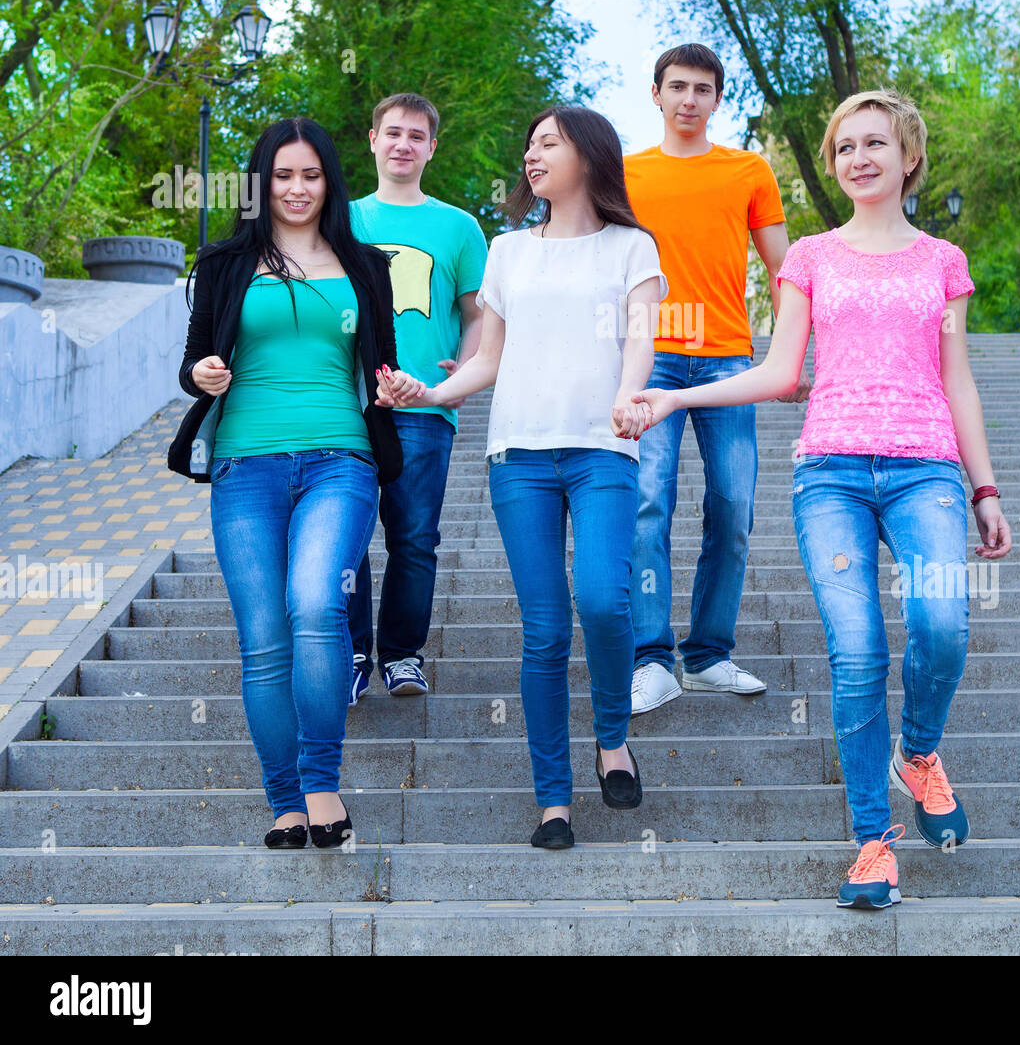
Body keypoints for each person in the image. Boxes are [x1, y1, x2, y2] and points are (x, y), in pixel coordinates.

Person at [633, 88, 1012, 909]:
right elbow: (779, 373)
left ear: (908, 157)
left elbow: (958, 379)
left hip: (927, 472)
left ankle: (918, 751)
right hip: (830, 474)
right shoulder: (808, 256)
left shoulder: (942, 261)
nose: (858, 158)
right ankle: (874, 842)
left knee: (943, 626)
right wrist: (674, 398)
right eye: (844, 147)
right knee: (857, 651)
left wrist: (984, 487)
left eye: (875, 143)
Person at [380, 105, 666, 848]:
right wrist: (432, 392)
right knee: (543, 629)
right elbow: (486, 357)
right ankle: (552, 800)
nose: (533, 155)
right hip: (518, 455)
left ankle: (611, 737)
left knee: (603, 598)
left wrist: (632, 395)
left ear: (590, 156)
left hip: (604, 447)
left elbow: (642, 337)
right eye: (530, 142)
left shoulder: (631, 247)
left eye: (549, 143)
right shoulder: (509, 252)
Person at [167, 117, 421, 850]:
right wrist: (203, 373)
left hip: (341, 460)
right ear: (262, 182)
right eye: (283, 174)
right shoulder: (223, 264)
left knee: (316, 604)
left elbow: (381, 363)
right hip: (246, 465)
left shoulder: (365, 266)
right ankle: (282, 800)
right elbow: (191, 361)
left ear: (329, 181)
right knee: (264, 639)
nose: (298, 187)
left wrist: (396, 385)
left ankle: (319, 782)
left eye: (311, 174)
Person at [621, 43, 810, 715]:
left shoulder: (749, 170)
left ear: (716, 98)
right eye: (678, 86)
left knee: (733, 506)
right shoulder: (624, 173)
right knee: (647, 503)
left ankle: (706, 654)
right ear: (656, 93)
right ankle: (649, 657)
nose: (689, 99)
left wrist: (793, 356)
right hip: (650, 357)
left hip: (731, 356)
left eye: (703, 88)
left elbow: (787, 270)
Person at [347, 92, 488, 703]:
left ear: (432, 148)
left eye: (416, 136)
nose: (403, 144)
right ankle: (349, 650)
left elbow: (477, 313)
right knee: (345, 534)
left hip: (425, 407)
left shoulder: (459, 227)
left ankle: (402, 654)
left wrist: (471, 362)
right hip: (346, 404)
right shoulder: (341, 219)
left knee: (414, 535)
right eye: (393, 132)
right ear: (373, 140)